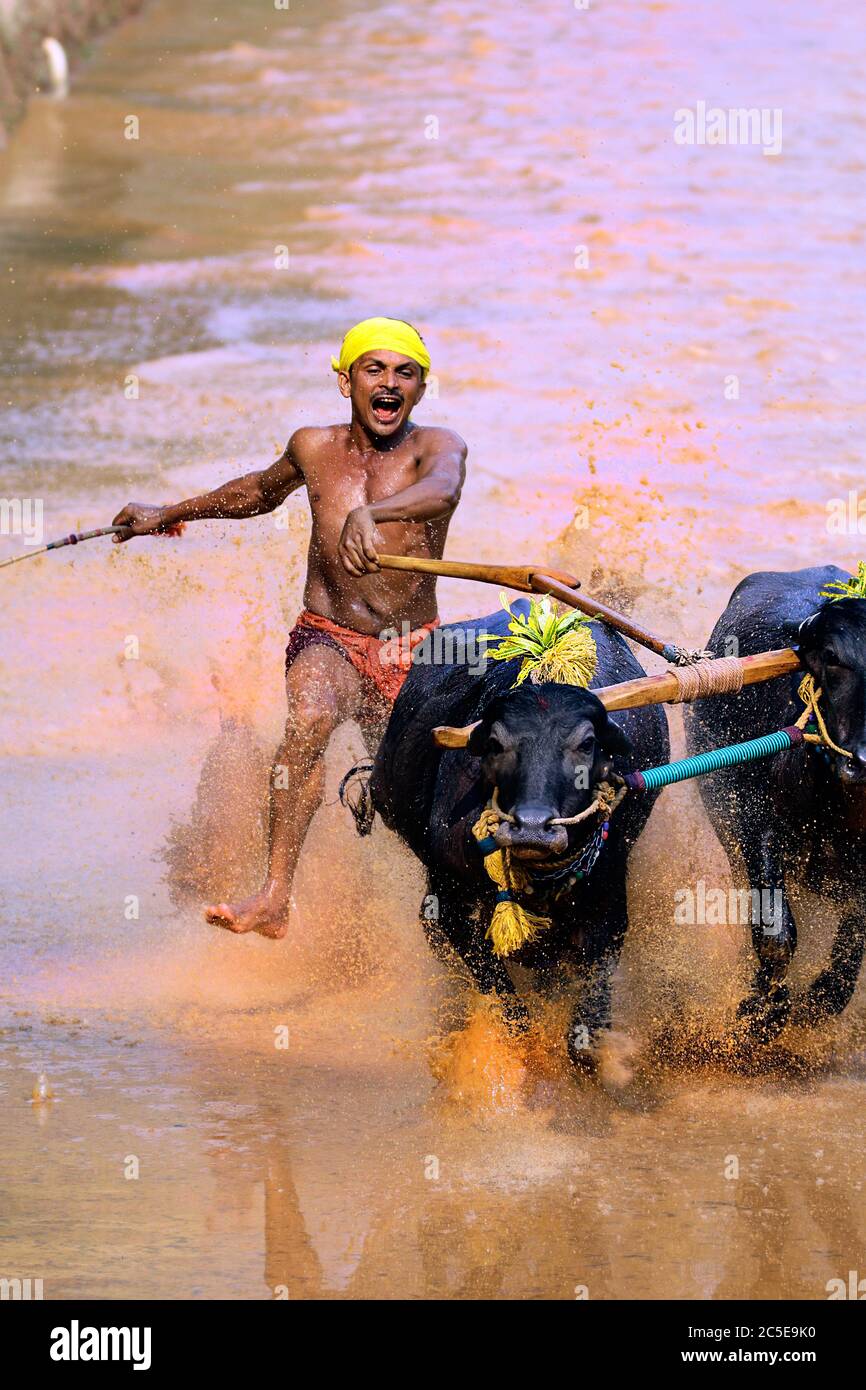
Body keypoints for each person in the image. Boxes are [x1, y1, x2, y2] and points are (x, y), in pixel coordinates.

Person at [112, 317, 466, 937]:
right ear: (344, 381)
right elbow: (258, 491)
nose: (389, 383)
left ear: (420, 388)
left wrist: (372, 514)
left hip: (410, 647)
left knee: (415, 792)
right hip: (327, 633)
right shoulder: (312, 446)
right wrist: (167, 512)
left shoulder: (435, 447)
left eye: (404, 373)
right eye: (373, 369)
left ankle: (448, 906)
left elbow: (443, 490)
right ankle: (275, 897)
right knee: (308, 722)